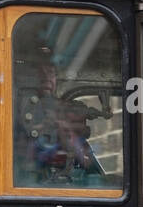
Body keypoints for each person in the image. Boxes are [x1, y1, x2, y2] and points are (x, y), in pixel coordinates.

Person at [15, 45, 103, 185]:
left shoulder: (69, 124)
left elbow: (92, 171)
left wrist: (68, 135)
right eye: (39, 72)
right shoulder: (15, 120)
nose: (45, 77)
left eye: (50, 72)